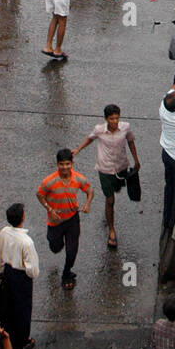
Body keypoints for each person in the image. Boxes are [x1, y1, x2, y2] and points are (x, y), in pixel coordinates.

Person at [71, 106, 140, 251]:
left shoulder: (125, 128)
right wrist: (78, 149)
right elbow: (90, 139)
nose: (115, 121)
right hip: (105, 170)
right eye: (111, 119)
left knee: (117, 189)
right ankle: (112, 230)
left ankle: (109, 212)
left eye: (117, 118)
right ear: (106, 119)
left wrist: (136, 160)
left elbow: (131, 142)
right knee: (110, 200)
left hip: (121, 167)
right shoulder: (99, 130)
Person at [35, 148, 94, 291]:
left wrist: (87, 204)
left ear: (72, 164)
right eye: (62, 164)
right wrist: (50, 209)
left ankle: (67, 274)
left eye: (67, 164)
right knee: (55, 247)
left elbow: (90, 191)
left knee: (72, 251)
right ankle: (57, 245)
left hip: (72, 219)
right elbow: (39, 195)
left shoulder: (78, 179)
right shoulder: (49, 181)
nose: (65, 167)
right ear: (57, 165)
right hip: (55, 222)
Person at [0, 203, 39, 349]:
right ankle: (22, 341)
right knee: (22, 309)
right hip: (21, 277)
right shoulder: (26, 242)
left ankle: (5, 335)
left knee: (6, 305)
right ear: (23, 217)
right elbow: (32, 270)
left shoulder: (4, 232)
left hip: (7, 272)